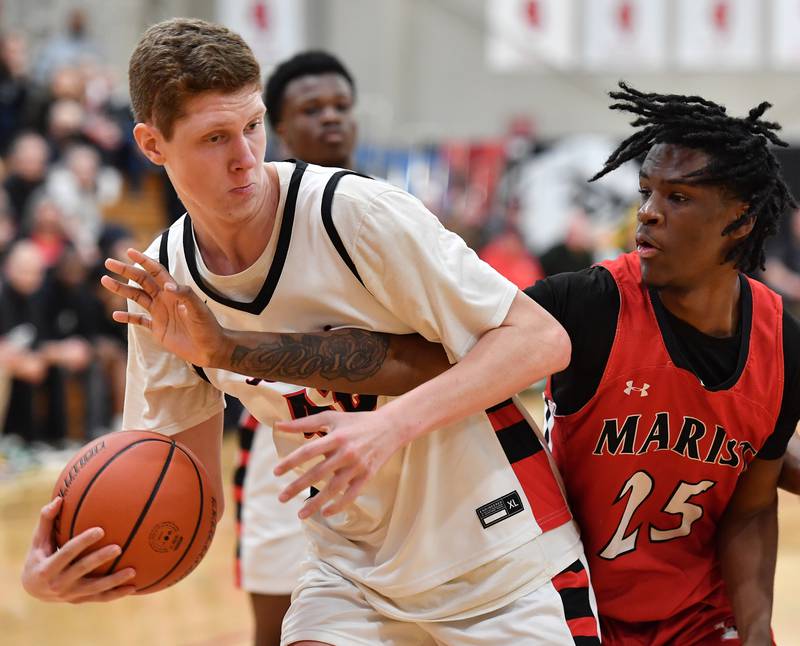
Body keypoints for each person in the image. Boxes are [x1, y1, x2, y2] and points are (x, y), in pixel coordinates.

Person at [22, 19, 600, 646]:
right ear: (152, 144)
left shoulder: (353, 214)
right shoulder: (166, 287)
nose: (245, 157)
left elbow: (542, 340)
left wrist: (391, 426)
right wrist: (80, 565)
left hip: (499, 560)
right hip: (353, 578)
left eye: (252, 126)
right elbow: (185, 497)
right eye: (215, 137)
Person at [219, 83, 800, 643]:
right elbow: (433, 360)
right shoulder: (588, 303)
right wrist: (234, 350)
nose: (647, 212)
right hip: (571, 604)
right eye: (646, 191)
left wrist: (755, 634)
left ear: (741, 220)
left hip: (700, 620)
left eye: (678, 198)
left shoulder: (782, 343)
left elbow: (752, 507)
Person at [235, 50, 359, 646]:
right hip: (283, 432)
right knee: (275, 618)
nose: (332, 118)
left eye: (341, 106)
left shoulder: (382, 209)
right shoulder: (249, 219)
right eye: (313, 109)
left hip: (378, 431)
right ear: (278, 127)